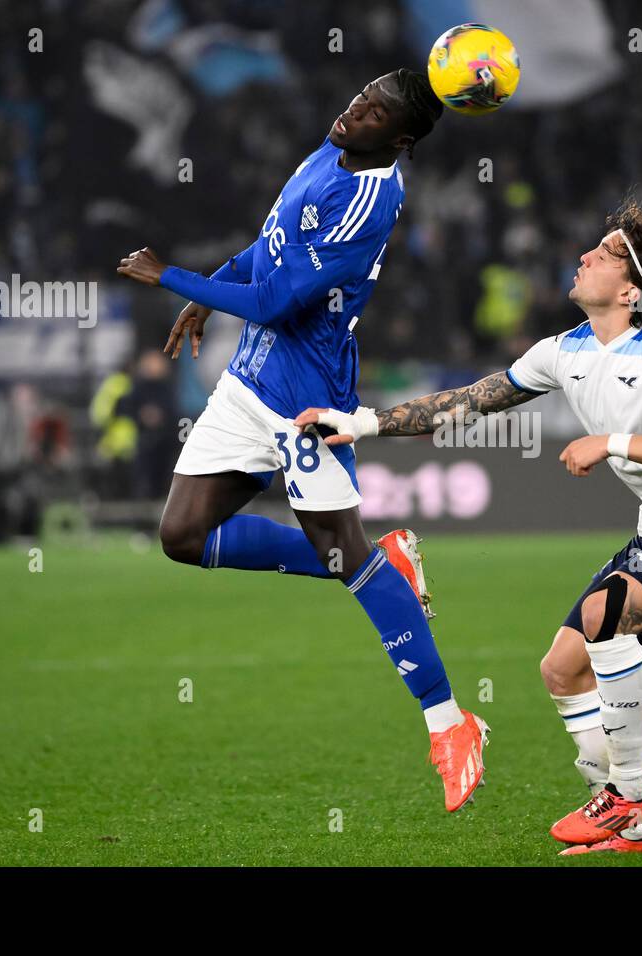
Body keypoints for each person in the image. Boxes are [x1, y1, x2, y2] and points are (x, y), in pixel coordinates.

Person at [295, 198, 642, 855]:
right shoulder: (563, 351)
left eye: (603, 253)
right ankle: (637, 823)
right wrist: (363, 423)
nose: (583, 256)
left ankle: (628, 800)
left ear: (630, 289)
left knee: (606, 614)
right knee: (562, 668)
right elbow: (466, 403)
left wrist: (610, 441)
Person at [115, 70, 489, 812]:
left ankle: (451, 723)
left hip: (305, 402)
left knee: (344, 556)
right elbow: (269, 248)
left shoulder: (370, 202)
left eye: (376, 109)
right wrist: (208, 288)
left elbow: (282, 297)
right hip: (250, 379)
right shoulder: (329, 149)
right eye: (360, 93)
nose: (355, 108)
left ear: (401, 139)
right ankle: (383, 564)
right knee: (183, 534)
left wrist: (176, 279)